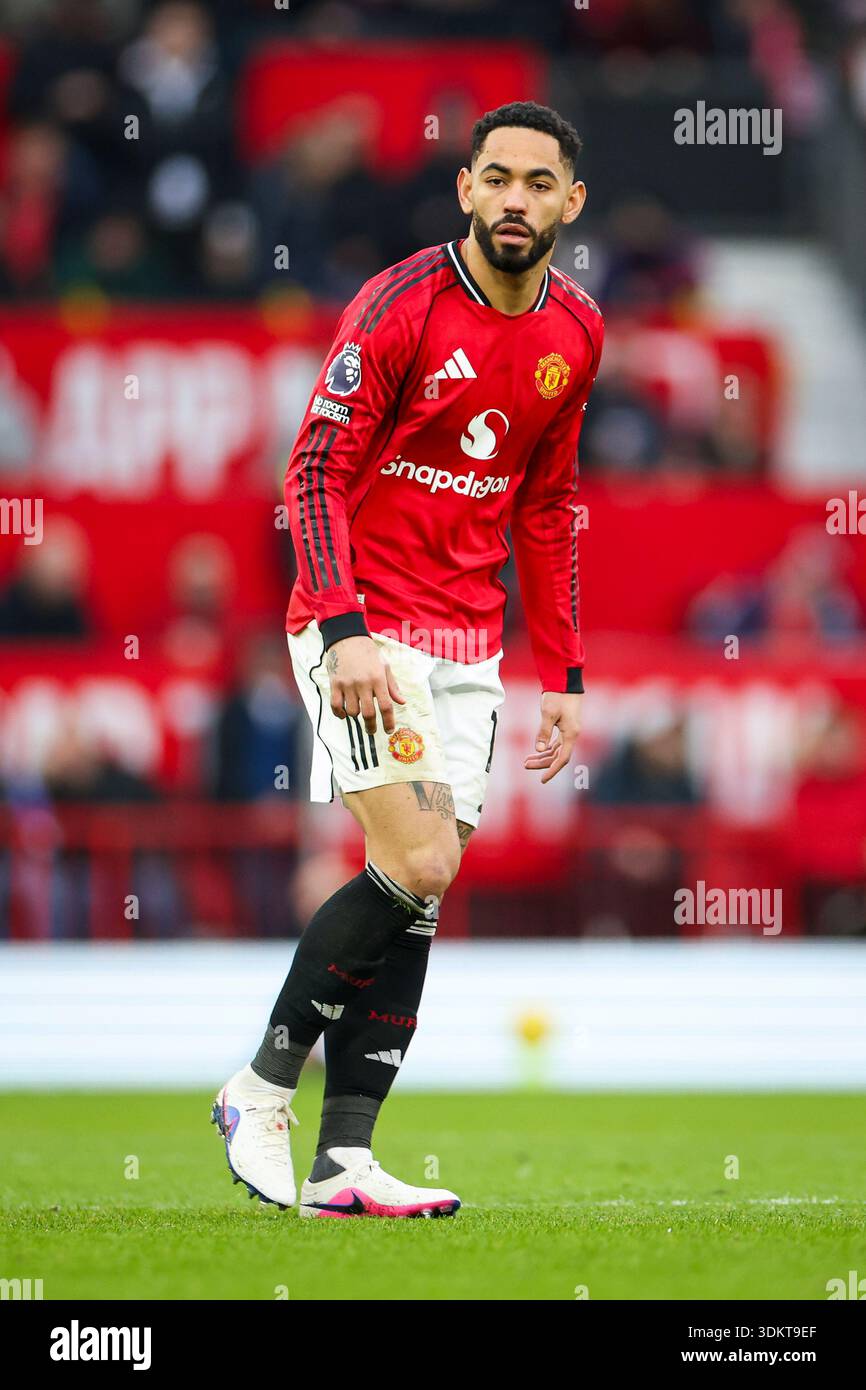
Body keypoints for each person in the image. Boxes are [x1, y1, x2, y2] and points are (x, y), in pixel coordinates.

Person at [212, 101, 604, 1218]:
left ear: (569, 202)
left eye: (538, 182)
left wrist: (562, 674)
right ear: (465, 191)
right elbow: (312, 471)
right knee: (420, 863)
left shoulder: (575, 332)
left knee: (418, 898)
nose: (514, 200)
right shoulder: (397, 306)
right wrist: (338, 631)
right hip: (362, 628)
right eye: (496, 179)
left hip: (468, 641)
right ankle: (260, 1085)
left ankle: (345, 1160)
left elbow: (548, 503)